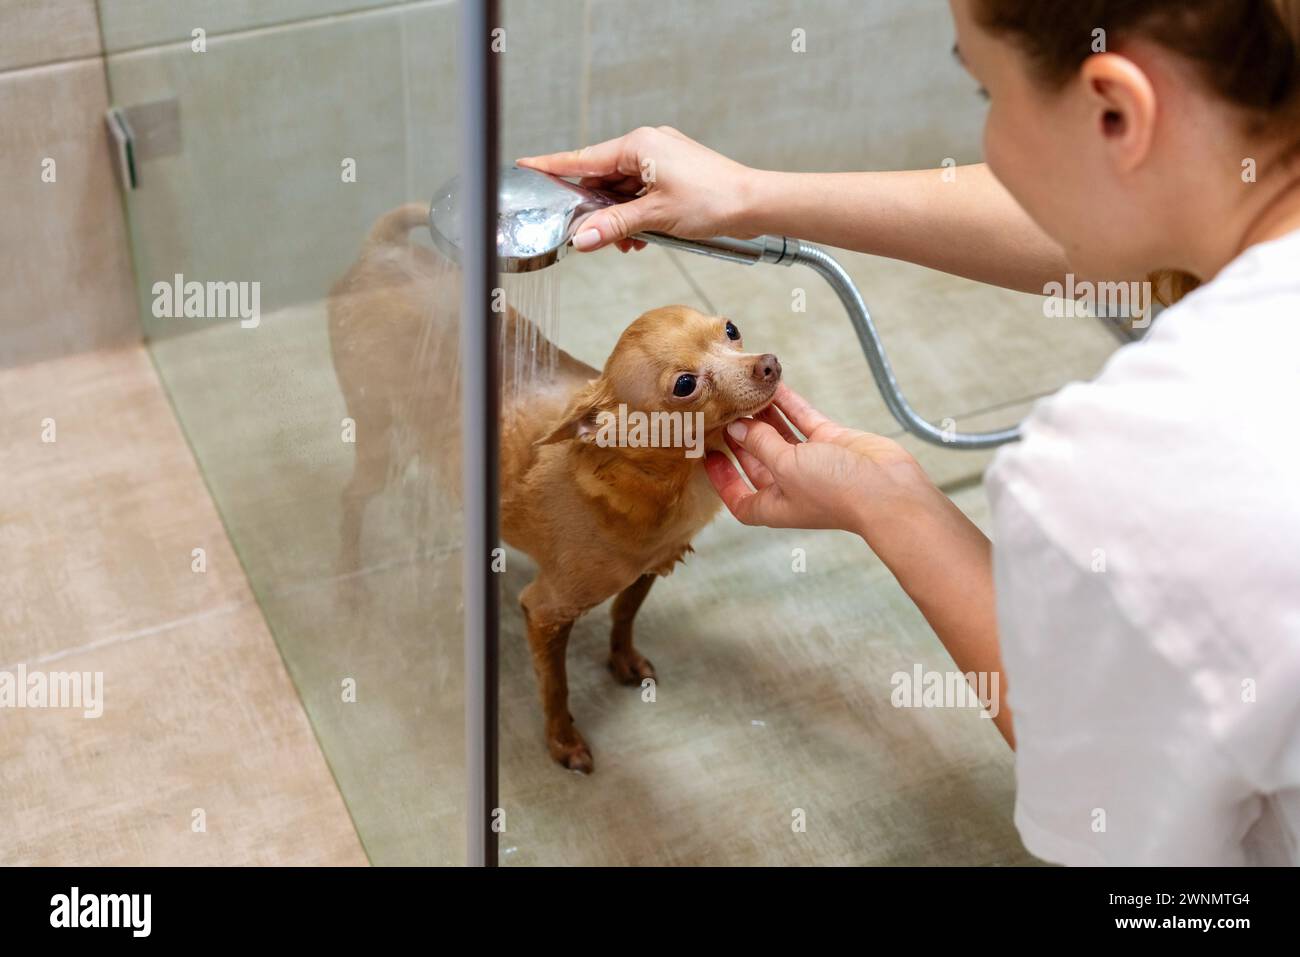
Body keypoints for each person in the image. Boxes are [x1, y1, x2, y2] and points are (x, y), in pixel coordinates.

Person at [518, 0, 1300, 866]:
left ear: (1117, 110)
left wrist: (894, 509)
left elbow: (1164, 881)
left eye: (984, 93)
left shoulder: (1124, 467)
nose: (985, 142)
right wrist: (748, 195)